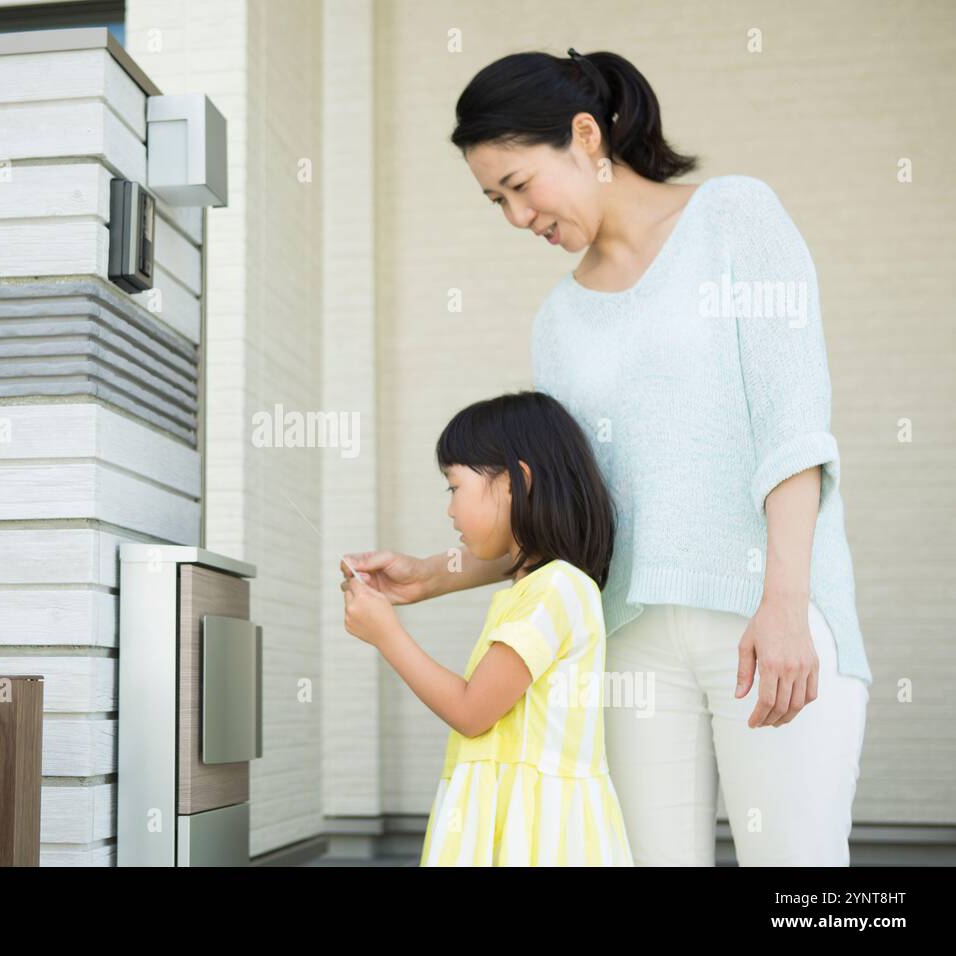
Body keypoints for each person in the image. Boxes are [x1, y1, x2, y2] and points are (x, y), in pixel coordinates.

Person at [342, 48, 870, 866]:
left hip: (765, 616)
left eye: (519, 185)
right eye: (495, 202)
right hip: (625, 645)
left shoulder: (735, 218)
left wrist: (785, 604)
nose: (517, 218)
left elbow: (792, 426)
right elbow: (570, 513)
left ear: (586, 135)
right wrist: (435, 572)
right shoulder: (559, 319)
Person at [342, 390, 633, 865]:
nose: (450, 509)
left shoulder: (557, 590)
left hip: (537, 841)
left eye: (454, 487)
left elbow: (472, 710)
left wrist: (385, 634)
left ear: (516, 481)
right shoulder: (533, 590)